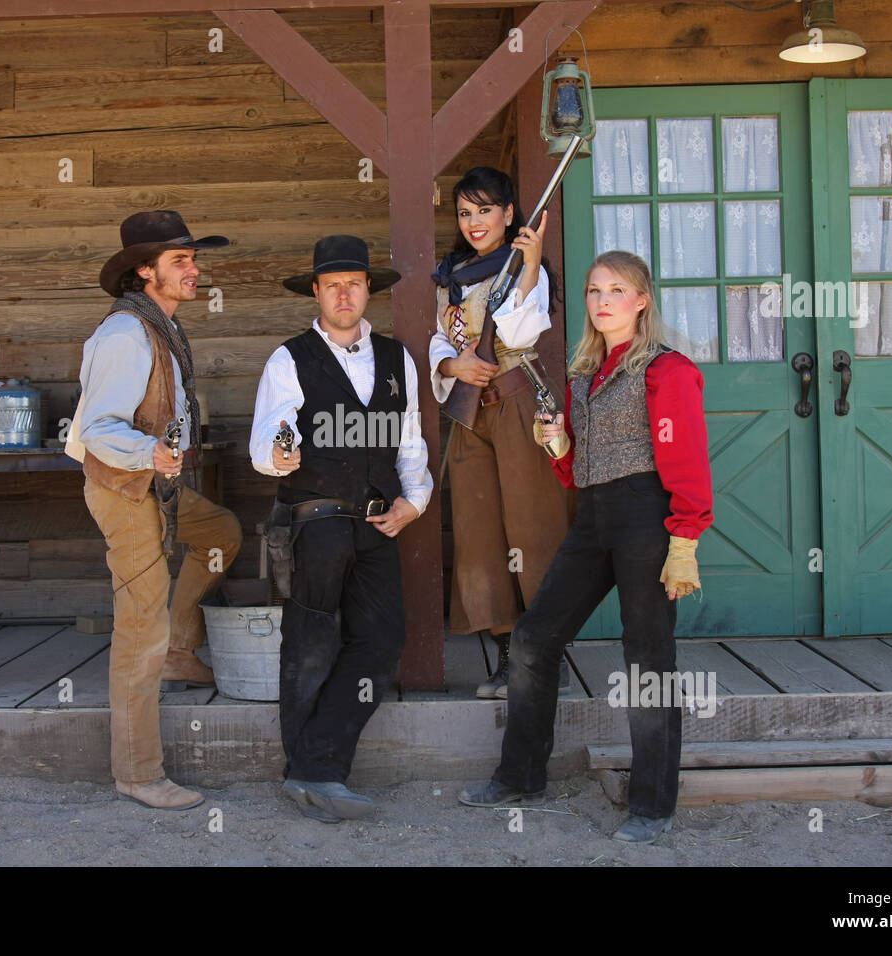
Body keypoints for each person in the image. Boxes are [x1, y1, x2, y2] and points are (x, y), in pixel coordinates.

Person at [458, 250, 714, 845]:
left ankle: (652, 804)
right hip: (594, 518)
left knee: (647, 659)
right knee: (532, 639)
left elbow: (686, 458)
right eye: (595, 290)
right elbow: (576, 473)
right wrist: (558, 445)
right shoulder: (583, 374)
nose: (603, 301)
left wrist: (685, 537)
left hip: (648, 517)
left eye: (617, 290)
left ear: (642, 301)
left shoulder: (667, 369)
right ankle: (521, 776)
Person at [250, 235, 433, 824]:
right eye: (333, 285)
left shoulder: (397, 359)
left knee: (382, 641)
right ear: (316, 292)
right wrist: (280, 453)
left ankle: (312, 768)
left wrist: (415, 500)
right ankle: (314, 771)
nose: (344, 294)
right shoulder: (290, 359)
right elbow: (268, 438)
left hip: (378, 521)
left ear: (367, 289)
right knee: (310, 645)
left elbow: (409, 438)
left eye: (354, 283)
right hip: (316, 522)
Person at [78, 210, 243, 811]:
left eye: (193, 259)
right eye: (180, 261)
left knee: (220, 531)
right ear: (145, 271)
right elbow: (97, 429)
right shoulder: (126, 333)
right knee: (138, 629)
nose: (193, 270)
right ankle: (138, 772)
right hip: (127, 490)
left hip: (156, 485)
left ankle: (180, 648)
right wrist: (148, 451)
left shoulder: (160, 326)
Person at [429, 167, 572, 698]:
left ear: (509, 214)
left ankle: (543, 657)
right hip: (471, 412)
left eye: (485, 210)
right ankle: (509, 654)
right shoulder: (451, 275)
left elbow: (518, 329)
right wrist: (453, 367)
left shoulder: (526, 268)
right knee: (480, 534)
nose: (474, 222)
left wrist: (530, 266)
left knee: (533, 531)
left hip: (517, 406)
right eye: (465, 212)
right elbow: (438, 341)